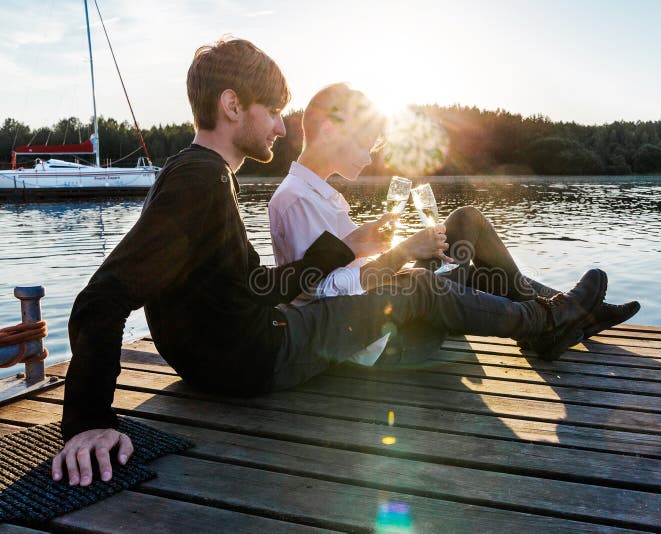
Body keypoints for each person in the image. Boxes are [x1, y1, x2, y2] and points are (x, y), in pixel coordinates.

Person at [52, 38, 607, 488]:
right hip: (256, 359)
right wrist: (87, 421)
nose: (278, 127)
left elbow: (254, 285)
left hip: (234, 353)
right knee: (418, 292)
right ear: (232, 105)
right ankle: (548, 322)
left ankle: (547, 316)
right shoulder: (199, 179)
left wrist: (346, 244)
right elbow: (101, 299)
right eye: (272, 112)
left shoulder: (195, 173)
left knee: (419, 286)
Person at [268, 83, 639, 360]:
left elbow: (340, 269)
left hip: (376, 309)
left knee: (474, 265)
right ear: (330, 130)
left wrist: (378, 246)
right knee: (466, 223)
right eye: (365, 143)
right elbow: (325, 291)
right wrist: (404, 252)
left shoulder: (317, 194)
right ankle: (558, 320)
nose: (368, 157)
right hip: (373, 336)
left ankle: (571, 316)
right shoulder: (296, 199)